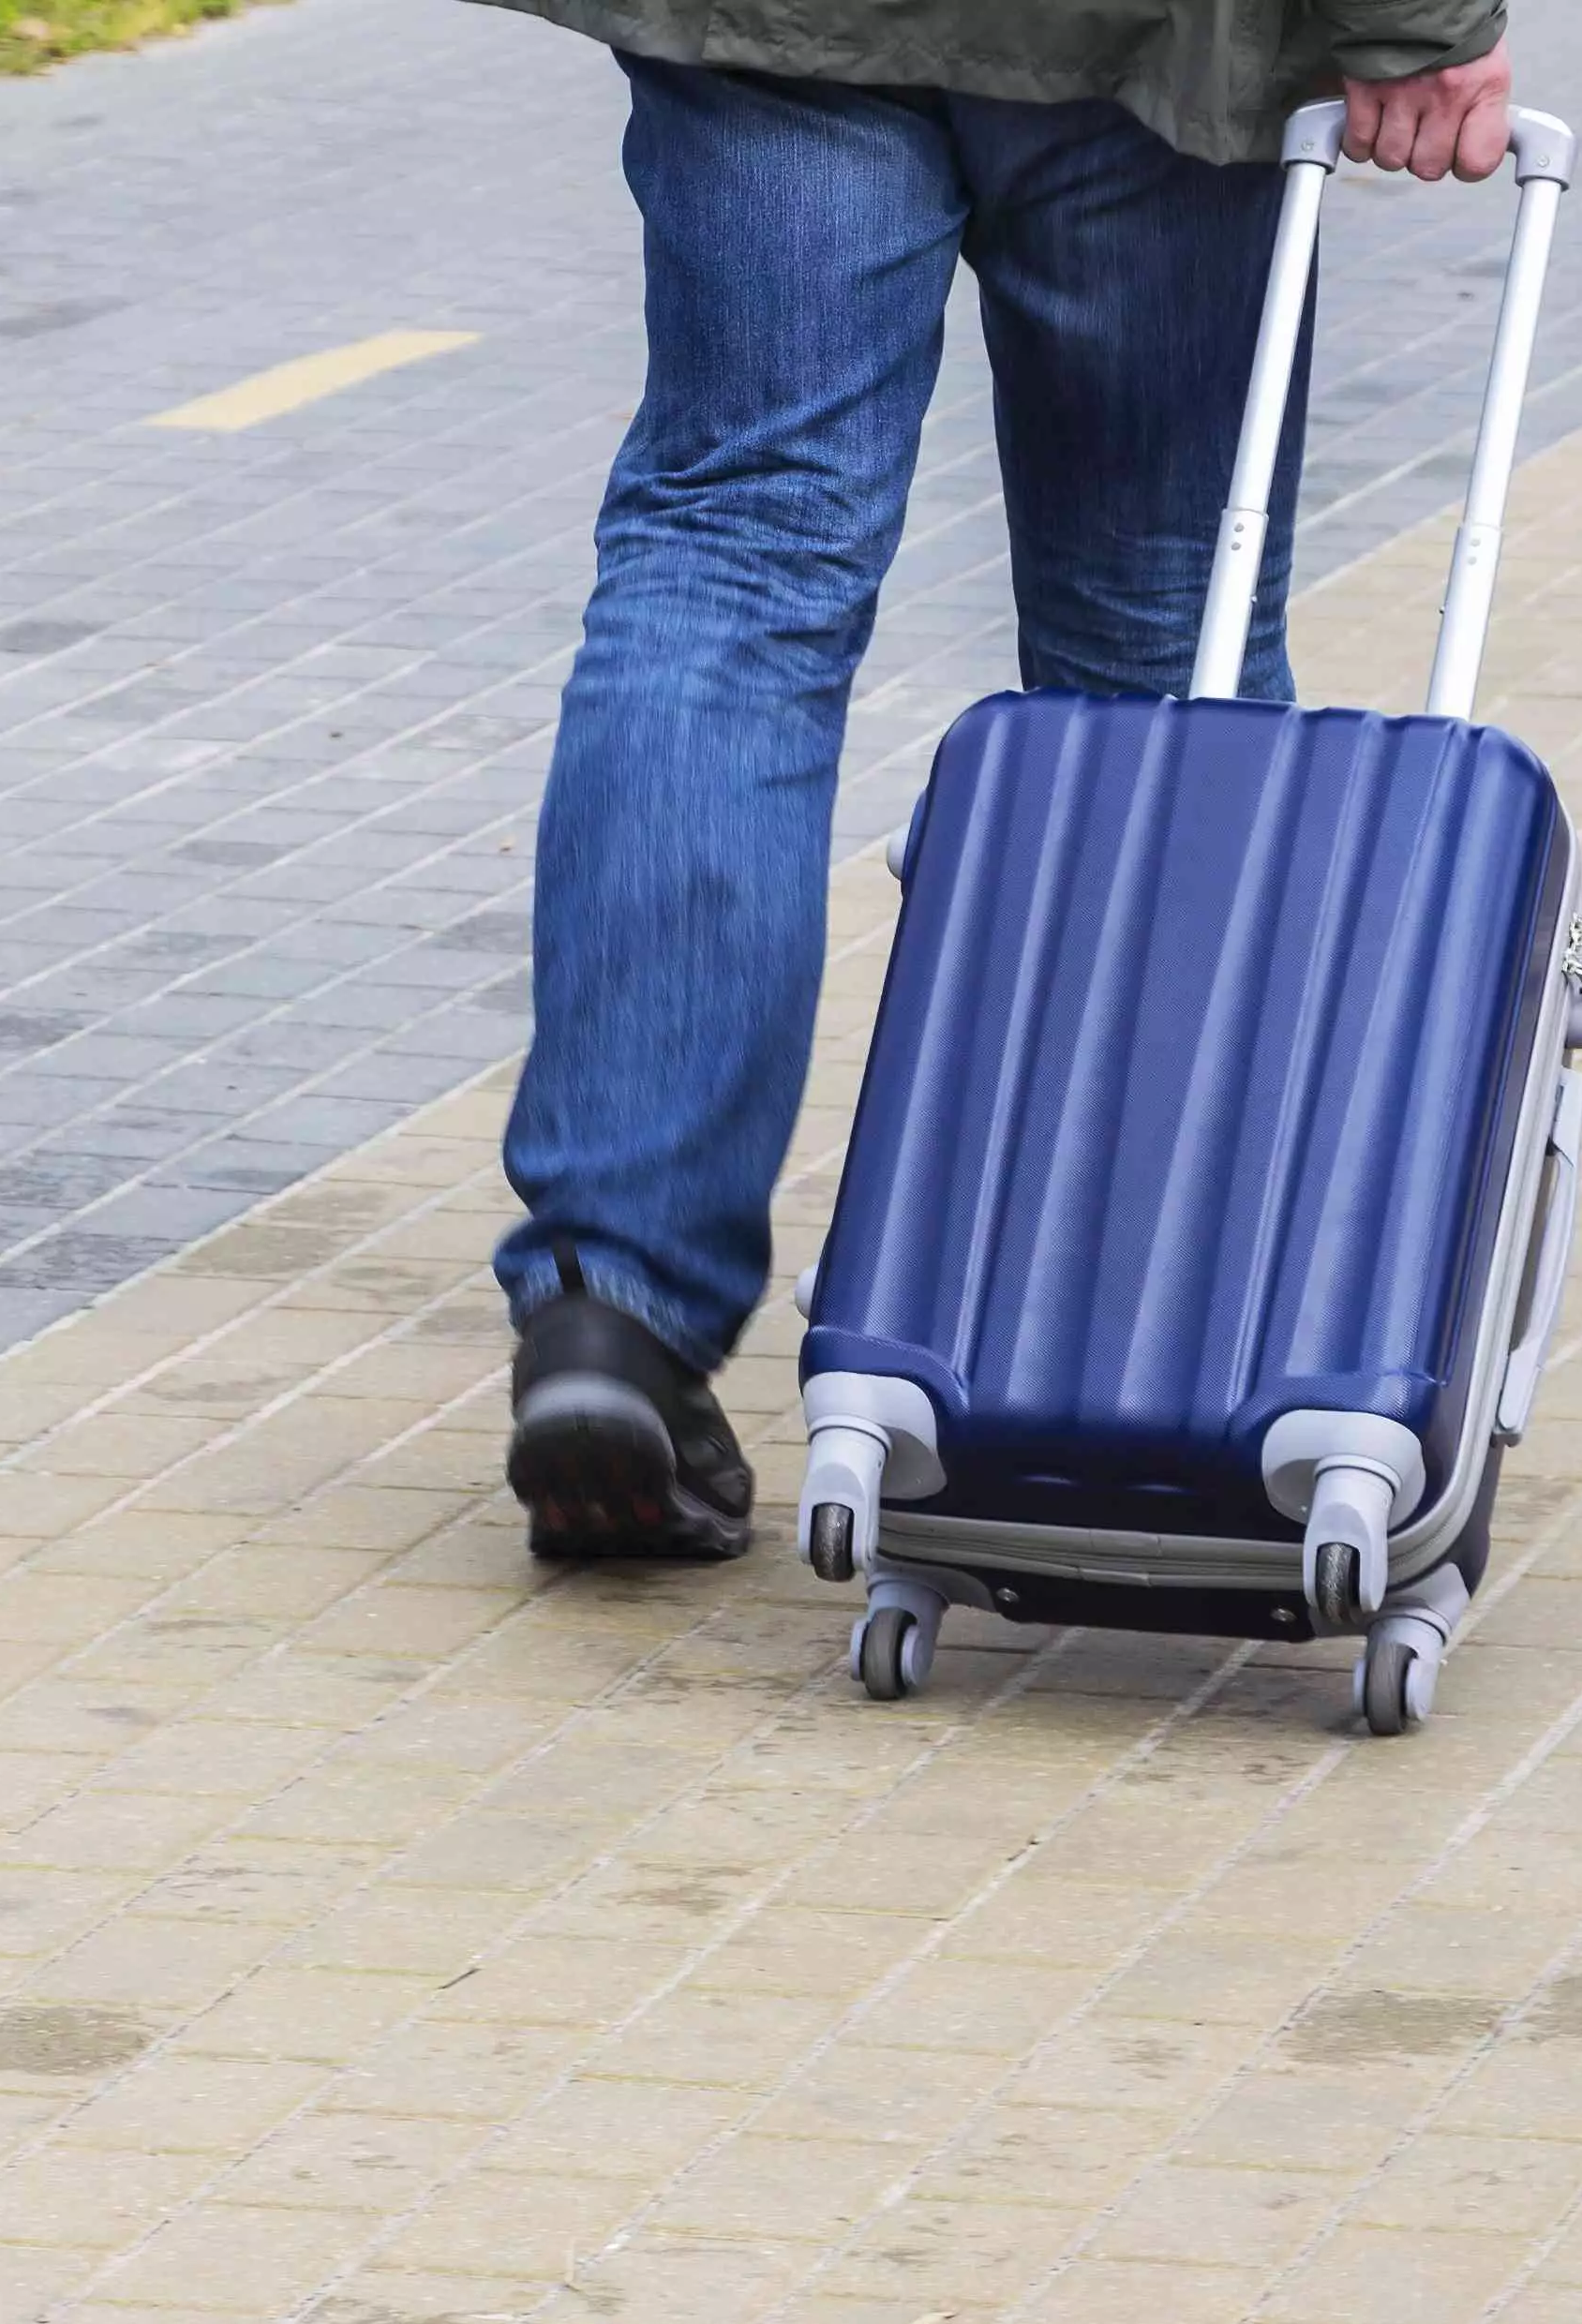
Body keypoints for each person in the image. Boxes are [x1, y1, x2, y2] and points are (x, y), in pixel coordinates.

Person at [460, 0, 1515, 1561]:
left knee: (735, 564)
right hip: (1152, 46)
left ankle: (610, 1303)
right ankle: (1131, 1335)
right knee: (1161, 627)